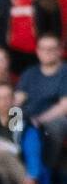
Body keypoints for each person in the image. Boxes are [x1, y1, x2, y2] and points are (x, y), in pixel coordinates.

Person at [15, 33, 67, 176]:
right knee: (11, 122)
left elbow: (64, 106)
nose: (47, 52)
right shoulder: (30, 73)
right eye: (43, 49)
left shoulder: (65, 72)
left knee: (57, 124)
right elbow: (17, 100)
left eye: (51, 49)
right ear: (37, 51)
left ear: (60, 51)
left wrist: (39, 120)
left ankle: (46, 173)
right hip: (28, 117)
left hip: (52, 119)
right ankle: (18, 170)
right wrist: (10, 118)